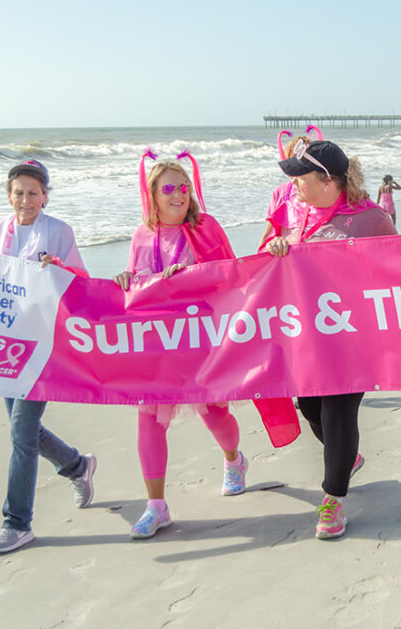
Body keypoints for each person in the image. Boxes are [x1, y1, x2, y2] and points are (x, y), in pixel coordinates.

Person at [0, 159, 96, 555]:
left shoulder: (60, 232)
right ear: (8, 194)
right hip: (6, 344)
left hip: (45, 344)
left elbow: (81, 282)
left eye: (33, 192)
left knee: (20, 433)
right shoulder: (0, 228)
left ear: (46, 195)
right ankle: (77, 466)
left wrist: (58, 266)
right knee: (24, 429)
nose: (25, 199)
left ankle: (17, 523)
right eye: (18, 192)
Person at [113, 155, 252, 539]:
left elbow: (231, 277)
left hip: (201, 338)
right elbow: (138, 285)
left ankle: (233, 460)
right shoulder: (141, 234)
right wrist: (128, 278)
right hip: (157, 343)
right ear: (152, 195)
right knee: (149, 418)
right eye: (169, 188)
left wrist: (191, 276)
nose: (178, 195)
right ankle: (156, 506)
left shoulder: (206, 228)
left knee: (213, 413)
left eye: (184, 187)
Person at [265, 138, 396, 539]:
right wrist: (275, 246)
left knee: (339, 415)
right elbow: (266, 263)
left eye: (300, 178)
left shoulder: (370, 218)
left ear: (327, 181)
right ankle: (347, 458)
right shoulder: (294, 213)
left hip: (353, 339)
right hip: (308, 337)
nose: (294, 185)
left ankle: (332, 499)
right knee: (311, 410)